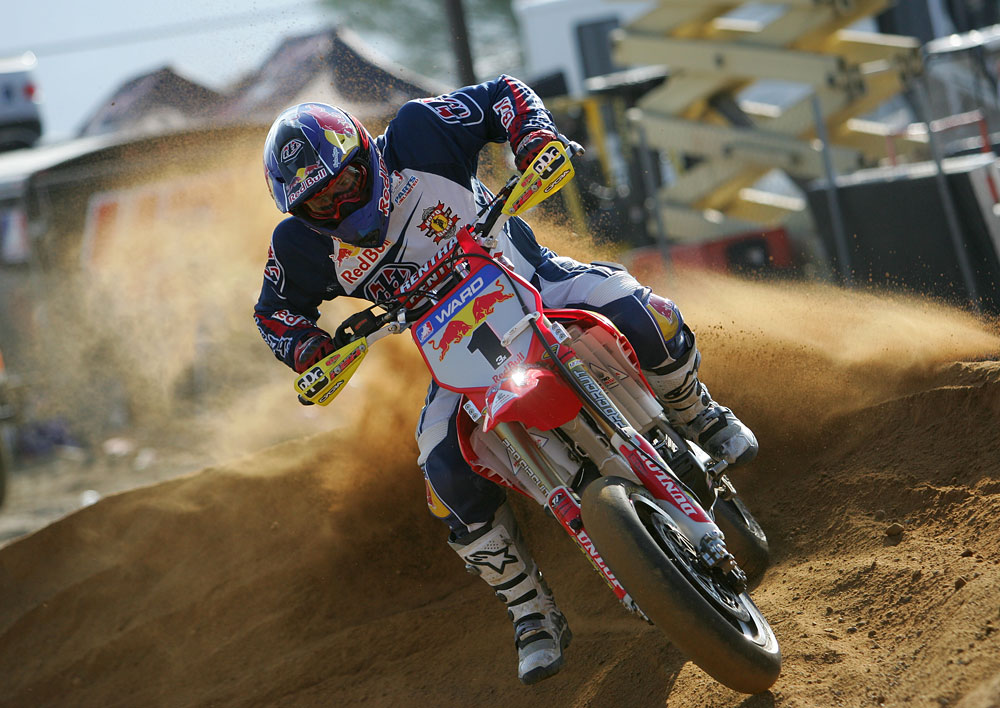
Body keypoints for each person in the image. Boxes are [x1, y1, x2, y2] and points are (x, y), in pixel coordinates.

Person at [254, 75, 758, 685]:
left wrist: (534, 139)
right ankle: (529, 605)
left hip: (533, 282)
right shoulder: (300, 245)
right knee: (440, 470)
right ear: (300, 212)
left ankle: (697, 411)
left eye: (345, 183)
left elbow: (503, 95)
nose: (338, 206)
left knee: (639, 308)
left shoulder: (417, 134)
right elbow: (273, 313)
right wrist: (309, 349)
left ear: (364, 150)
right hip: (455, 357)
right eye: (319, 203)